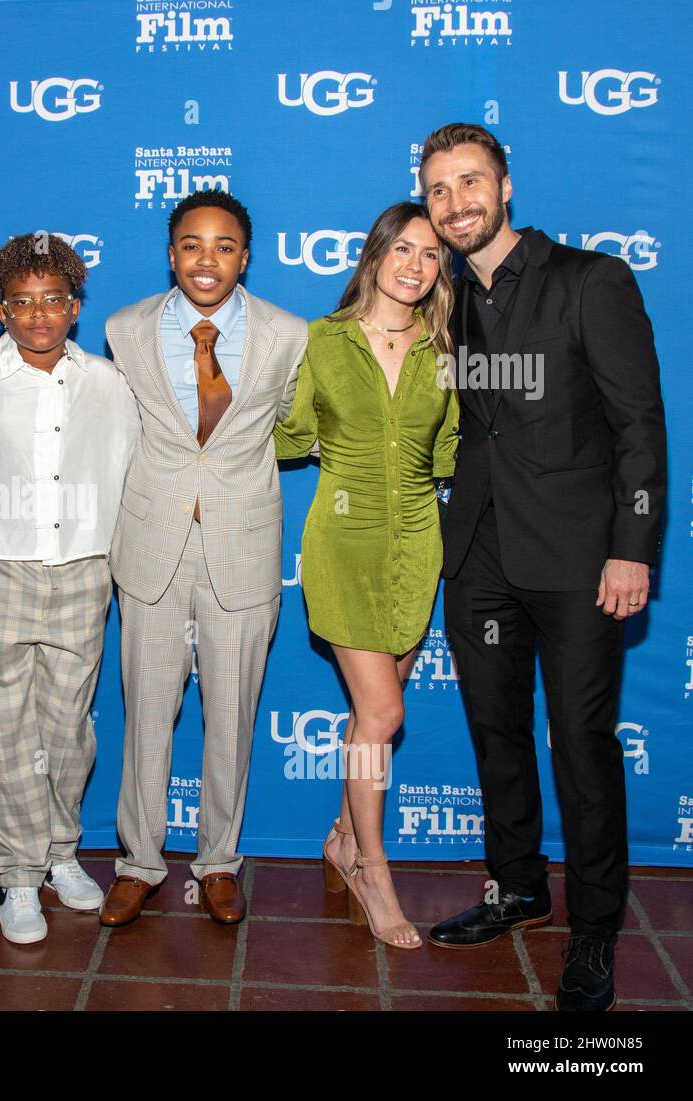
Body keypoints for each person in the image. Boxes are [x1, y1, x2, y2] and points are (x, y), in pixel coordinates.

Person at [419, 123, 666, 1010]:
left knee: (583, 744)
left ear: (507, 185)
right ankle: (516, 887)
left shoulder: (590, 281)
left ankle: (595, 927)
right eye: (439, 190)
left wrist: (632, 549)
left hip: (577, 560)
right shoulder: (444, 300)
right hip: (479, 551)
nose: (456, 204)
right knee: (497, 731)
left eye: (470, 183)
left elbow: (640, 426)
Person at [0, 234, 139, 944]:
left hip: (80, 566)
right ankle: (17, 874)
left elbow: (126, 463)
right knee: (1, 728)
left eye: (52, 300)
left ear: (75, 306)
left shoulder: (107, 380)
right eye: (21, 302)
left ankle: (63, 852)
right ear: (0, 308)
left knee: (69, 729)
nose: (38, 315)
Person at [100, 191, 307, 927]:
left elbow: (302, 428)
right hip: (151, 543)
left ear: (245, 255)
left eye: (224, 245)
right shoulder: (123, 329)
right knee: (145, 714)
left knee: (234, 715)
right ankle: (138, 862)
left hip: (243, 546)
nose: (207, 259)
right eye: (192, 244)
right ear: (170, 252)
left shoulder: (289, 334)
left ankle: (219, 860)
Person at [274, 202, 458, 949]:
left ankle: (341, 836)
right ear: (376, 254)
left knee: (377, 712)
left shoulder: (447, 349)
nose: (416, 265)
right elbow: (290, 436)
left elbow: (448, 450)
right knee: (382, 717)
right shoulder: (319, 340)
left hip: (418, 540)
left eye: (433, 255)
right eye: (404, 248)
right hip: (342, 542)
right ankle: (372, 869)